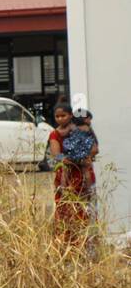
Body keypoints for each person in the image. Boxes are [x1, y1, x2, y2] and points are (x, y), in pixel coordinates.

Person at [48, 100, 93, 246]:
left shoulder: (79, 130)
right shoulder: (54, 134)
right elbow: (57, 155)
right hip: (65, 176)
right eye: (57, 116)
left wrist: (84, 156)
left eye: (64, 115)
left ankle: (83, 242)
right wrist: (76, 159)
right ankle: (65, 243)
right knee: (64, 207)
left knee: (82, 206)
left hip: (81, 175)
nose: (60, 119)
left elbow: (92, 149)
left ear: (70, 115)